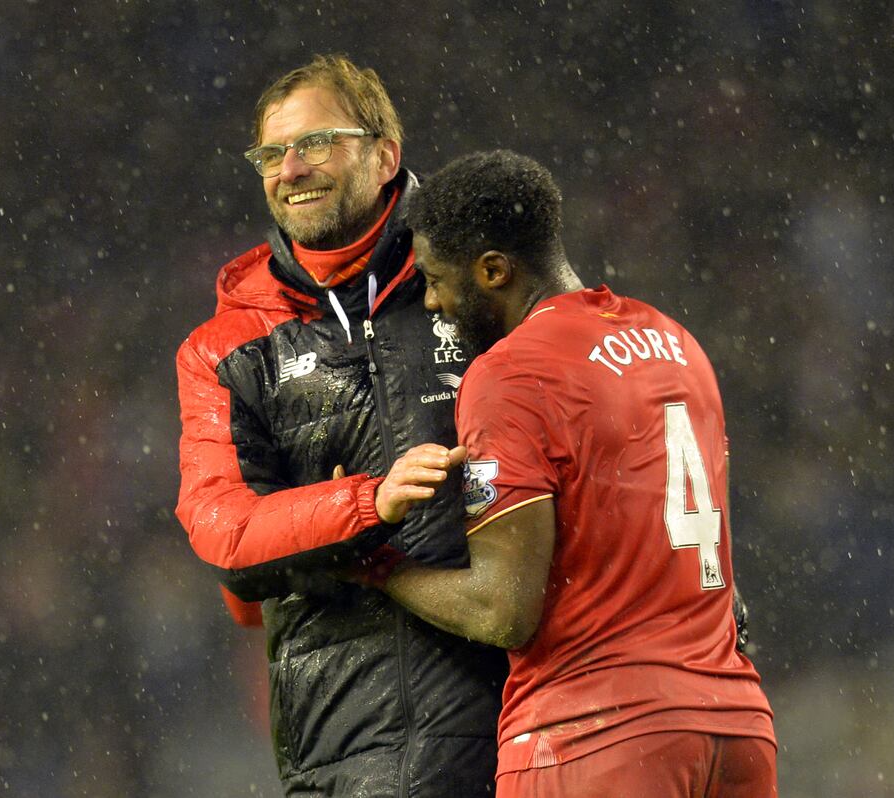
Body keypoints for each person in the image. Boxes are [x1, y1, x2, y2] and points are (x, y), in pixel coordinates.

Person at [368, 150, 777, 797]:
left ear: (493, 270)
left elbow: (503, 610)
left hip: (597, 736)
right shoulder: (674, 342)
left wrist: (380, 568)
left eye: (436, 279)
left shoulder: (509, 374)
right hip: (734, 726)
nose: (434, 303)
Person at [174, 56, 507, 797]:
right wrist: (365, 506)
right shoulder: (225, 350)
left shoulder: (482, 274)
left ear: (386, 154)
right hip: (344, 757)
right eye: (272, 153)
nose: (291, 168)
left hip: (517, 732)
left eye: (317, 142)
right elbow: (230, 543)